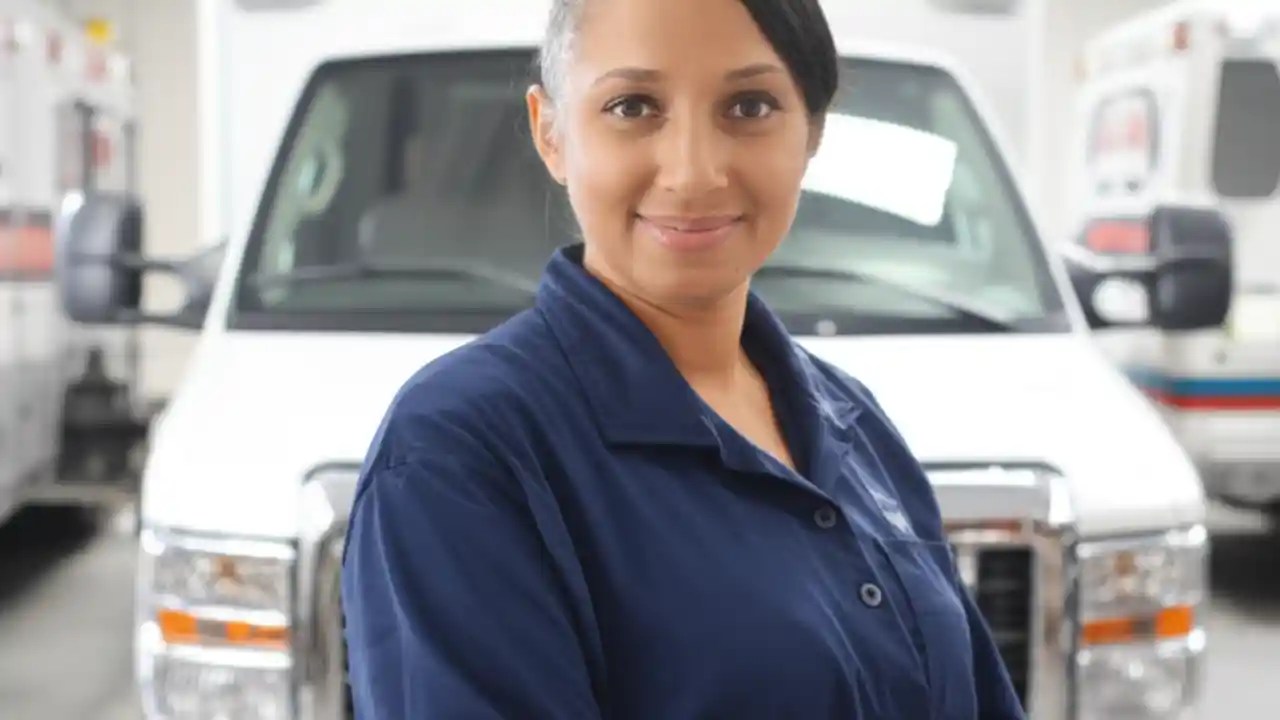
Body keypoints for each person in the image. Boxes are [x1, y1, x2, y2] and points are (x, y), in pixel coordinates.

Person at [341, 0, 1027, 717]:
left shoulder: (853, 422)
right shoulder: (463, 449)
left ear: (812, 133)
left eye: (750, 105)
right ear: (551, 132)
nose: (693, 173)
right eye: (633, 106)